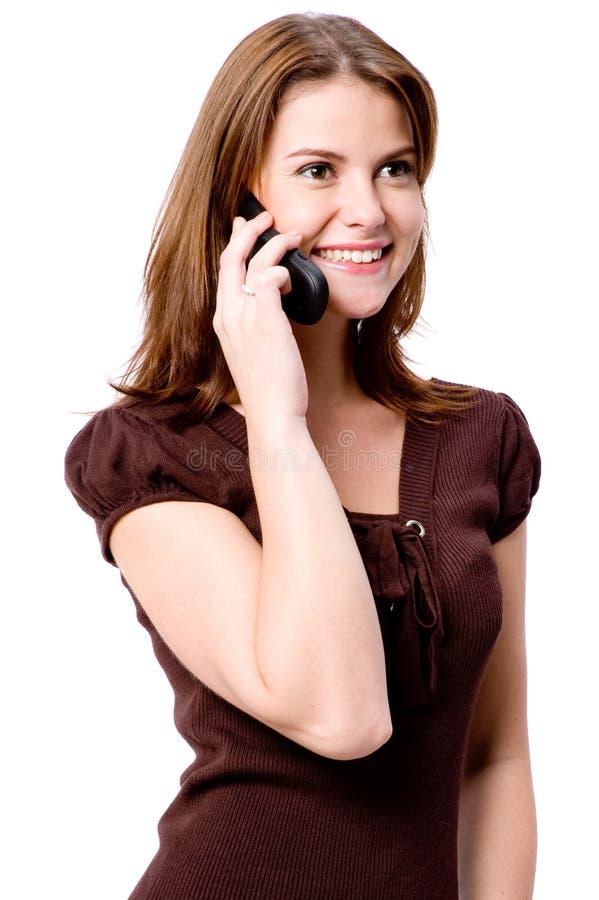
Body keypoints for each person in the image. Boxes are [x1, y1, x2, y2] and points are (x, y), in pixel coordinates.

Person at [64, 12, 541, 899]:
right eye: (318, 170)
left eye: (394, 168)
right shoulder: (152, 454)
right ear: (240, 204)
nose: (368, 210)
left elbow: (493, 757)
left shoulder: (483, 438)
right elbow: (341, 713)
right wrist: (278, 423)